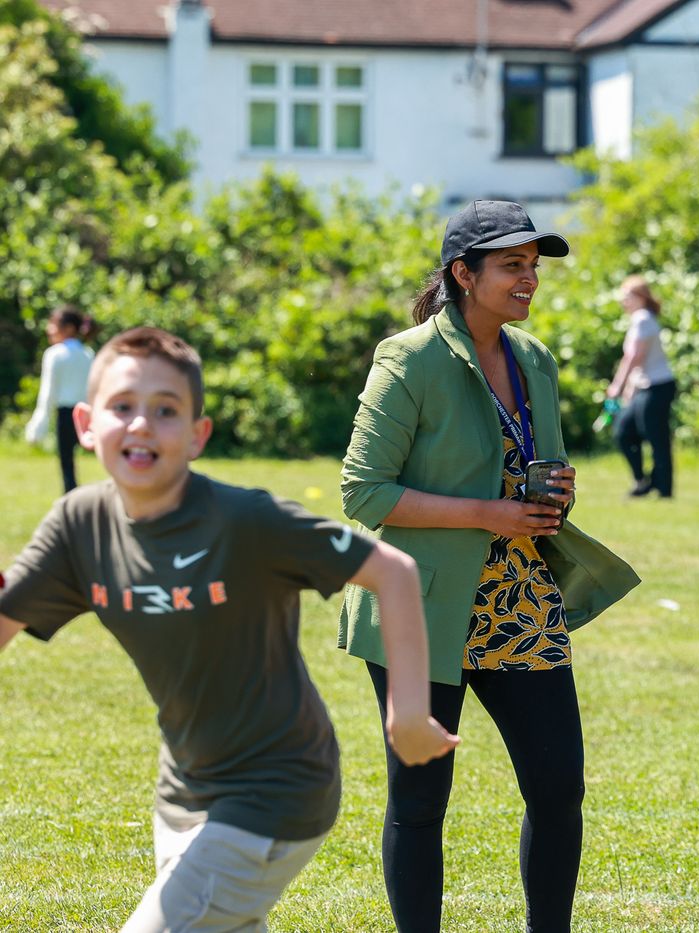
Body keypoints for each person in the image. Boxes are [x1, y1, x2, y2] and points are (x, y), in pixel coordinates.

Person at [0, 326, 457, 933]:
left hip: (279, 790)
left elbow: (393, 571)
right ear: (85, 424)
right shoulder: (78, 526)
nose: (140, 425)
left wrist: (407, 714)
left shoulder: (244, 520)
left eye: (165, 411)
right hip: (183, 794)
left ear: (197, 435)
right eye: (122, 408)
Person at [340, 199, 640, 933]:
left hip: (520, 601)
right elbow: (364, 490)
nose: (529, 280)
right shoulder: (407, 358)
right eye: (512, 265)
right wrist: (488, 512)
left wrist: (556, 491)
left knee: (557, 787)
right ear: (463, 274)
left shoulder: (534, 359)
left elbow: (535, 459)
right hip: (422, 609)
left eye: (534, 266)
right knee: (420, 800)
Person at [605, 274, 677, 497]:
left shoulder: (643, 318)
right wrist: (629, 391)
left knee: (657, 438)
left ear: (640, 297)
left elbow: (634, 357)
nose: (623, 302)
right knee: (624, 431)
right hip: (645, 387)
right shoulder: (640, 318)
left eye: (626, 297)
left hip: (658, 386)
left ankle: (663, 488)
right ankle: (643, 480)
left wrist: (617, 385)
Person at [24, 304, 97, 493]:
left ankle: (70, 496)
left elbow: (47, 393)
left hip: (65, 414)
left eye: (53, 325)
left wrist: (38, 425)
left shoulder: (54, 354)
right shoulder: (88, 354)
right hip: (86, 413)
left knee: (66, 461)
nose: (49, 330)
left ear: (69, 328)